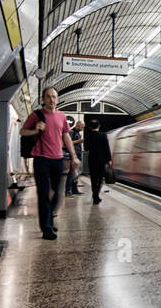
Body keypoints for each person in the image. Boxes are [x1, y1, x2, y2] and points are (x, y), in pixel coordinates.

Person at [20, 88, 79, 240]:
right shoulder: (36, 115)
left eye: (54, 97)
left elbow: (66, 137)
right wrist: (35, 130)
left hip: (58, 159)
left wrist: (73, 156)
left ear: (57, 99)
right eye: (48, 97)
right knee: (44, 193)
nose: (52, 100)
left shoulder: (61, 116)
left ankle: (49, 219)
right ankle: (46, 228)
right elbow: (22, 132)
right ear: (43, 99)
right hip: (41, 159)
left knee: (58, 193)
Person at [85, 117, 112, 204]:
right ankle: (96, 195)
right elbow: (107, 148)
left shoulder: (88, 136)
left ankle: (95, 195)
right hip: (101, 160)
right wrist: (109, 160)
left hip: (92, 160)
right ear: (99, 126)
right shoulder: (103, 135)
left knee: (93, 179)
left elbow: (86, 148)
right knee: (100, 179)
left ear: (89, 127)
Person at [66, 119, 85, 195]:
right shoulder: (71, 132)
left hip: (78, 155)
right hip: (73, 156)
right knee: (71, 173)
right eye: (82, 127)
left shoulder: (78, 133)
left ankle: (74, 189)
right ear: (78, 125)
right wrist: (80, 141)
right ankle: (68, 190)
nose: (82, 129)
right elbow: (68, 142)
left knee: (76, 174)